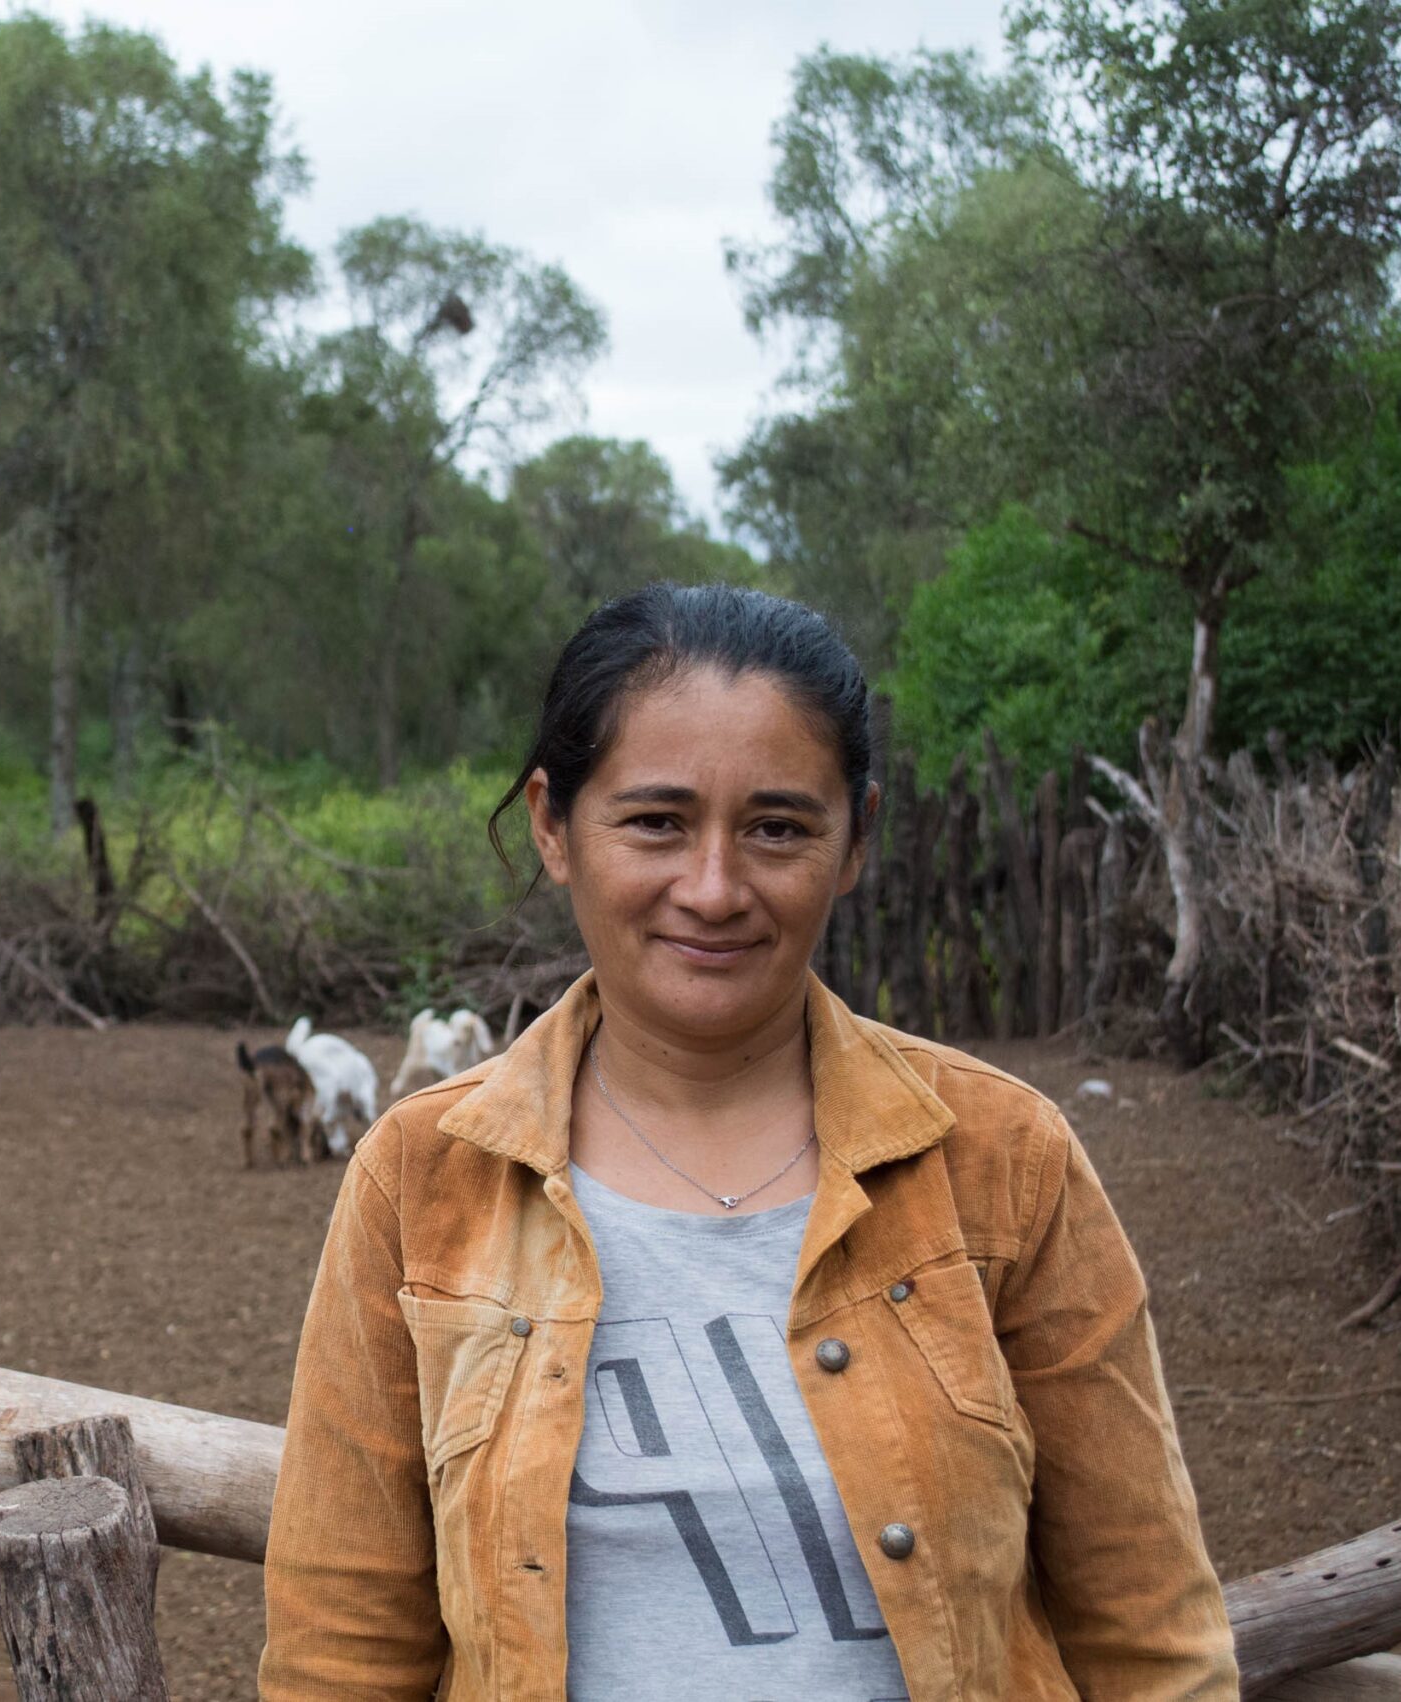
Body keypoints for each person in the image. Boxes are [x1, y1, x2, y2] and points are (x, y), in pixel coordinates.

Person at [258, 584, 1236, 1699]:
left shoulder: (1004, 1160)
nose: (713, 888)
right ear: (551, 823)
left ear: (855, 840)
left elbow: (1150, 1634)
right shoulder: (422, 1179)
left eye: (777, 827)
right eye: (655, 821)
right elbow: (339, 1652)